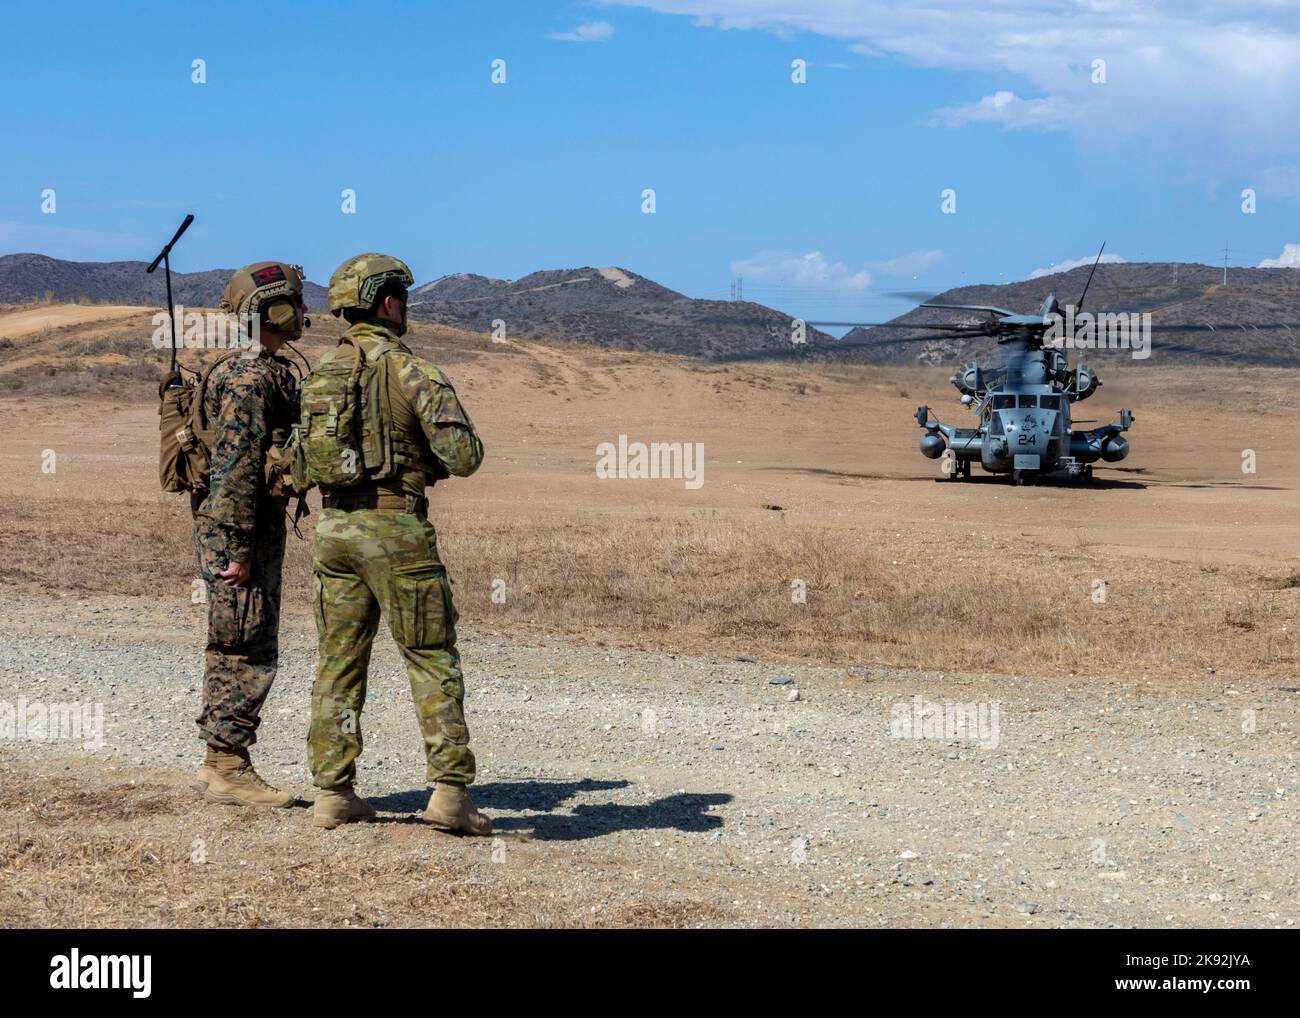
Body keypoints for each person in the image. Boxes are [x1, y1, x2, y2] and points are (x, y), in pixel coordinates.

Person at [305, 253, 490, 834]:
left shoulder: (321, 374)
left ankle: (333, 795)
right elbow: (465, 457)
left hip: (333, 531)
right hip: (397, 531)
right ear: (388, 303)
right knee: (431, 656)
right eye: (403, 299)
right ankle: (450, 795)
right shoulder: (415, 372)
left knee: (337, 662)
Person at [192, 262, 307, 807]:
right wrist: (236, 548)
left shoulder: (260, 370)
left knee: (240, 637)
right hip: (238, 531)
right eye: (297, 304)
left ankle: (223, 758)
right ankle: (226, 763)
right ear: (274, 310)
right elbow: (236, 468)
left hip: (242, 527)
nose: (305, 313)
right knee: (244, 641)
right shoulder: (250, 379)